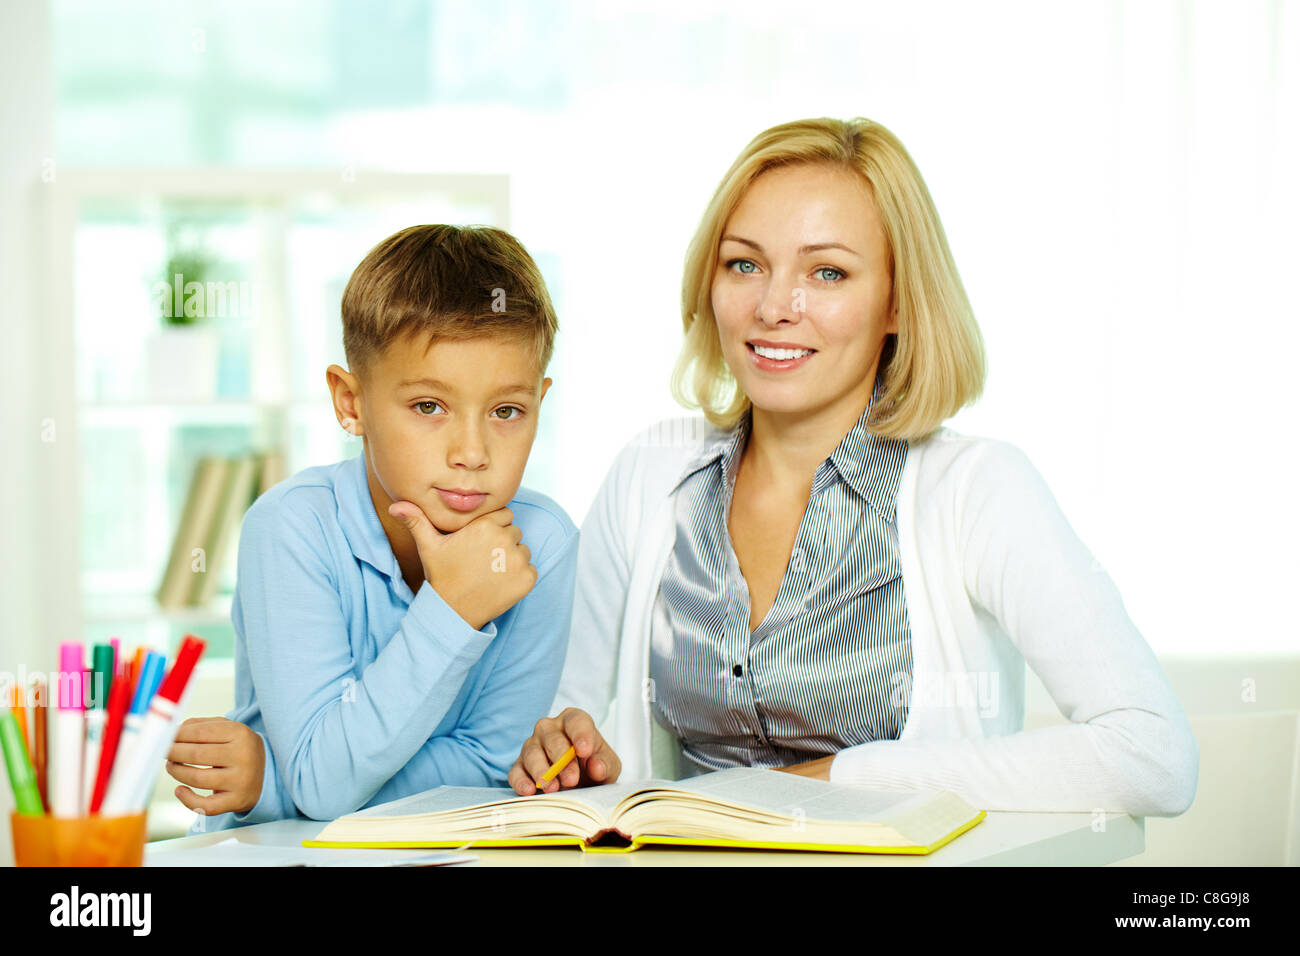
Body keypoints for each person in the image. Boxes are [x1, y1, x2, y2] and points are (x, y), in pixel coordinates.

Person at [508, 116, 1199, 817]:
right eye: (744, 264)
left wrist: (834, 781)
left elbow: (1151, 756)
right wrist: (563, 753)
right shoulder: (649, 474)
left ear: (898, 302)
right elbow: (562, 720)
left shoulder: (977, 491)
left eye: (828, 272)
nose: (775, 307)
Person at [165, 224, 579, 827]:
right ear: (350, 403)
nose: (472, 452)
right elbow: (326, 785)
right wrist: (455, 608)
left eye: (507, 411)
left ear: (540, 402)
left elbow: (489, 774)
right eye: (429, 407)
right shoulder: (289, 528)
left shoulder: (543, 545)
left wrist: (280, 784)